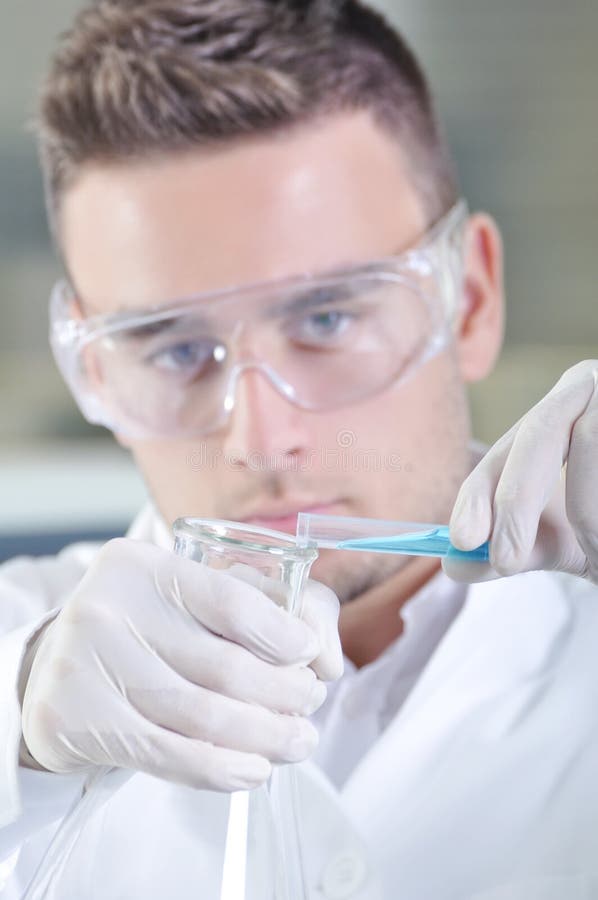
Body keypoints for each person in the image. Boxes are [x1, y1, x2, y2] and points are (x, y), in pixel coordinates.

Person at [1, 1, 597, 897]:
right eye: (172, 348)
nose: (260, 440)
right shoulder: (25, 655)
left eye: (326, 317)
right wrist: (19, 731)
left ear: (468, 300)